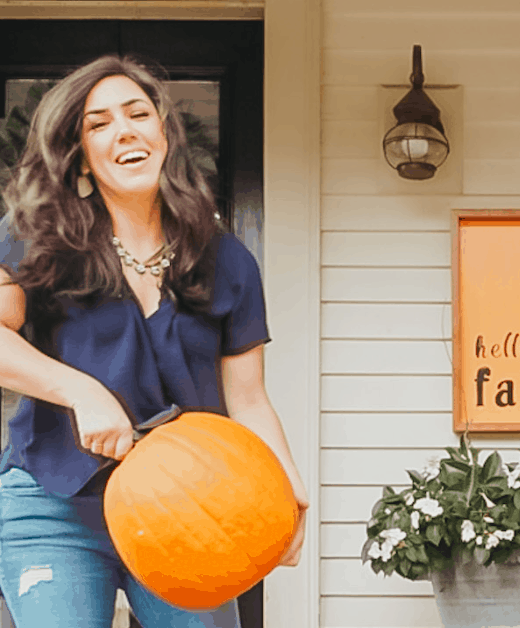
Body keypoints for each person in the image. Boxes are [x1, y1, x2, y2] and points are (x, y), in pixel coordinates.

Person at [0, 55, 308, 627]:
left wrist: (287, 488)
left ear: (164, 133)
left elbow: (247, 399)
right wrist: (79, 390)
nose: (124, 130)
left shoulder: (226, 259)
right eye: (99, 124)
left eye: (138, 113)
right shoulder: (39, 236)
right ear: (82, 154)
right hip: (53, 504)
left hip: (193, 507)